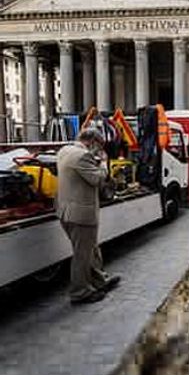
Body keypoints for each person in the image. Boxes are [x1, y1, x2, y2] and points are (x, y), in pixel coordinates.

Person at [56, 128, 121, 305]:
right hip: (80, 214)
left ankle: (100, 281)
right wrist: (102, 163)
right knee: (82, 255)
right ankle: (80, 292)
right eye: (99, 145)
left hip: (66, 211)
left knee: (91, 249)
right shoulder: (83, 156)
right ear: (92, 142)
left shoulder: (65, 150)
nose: (99, 149)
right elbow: (98, 180)